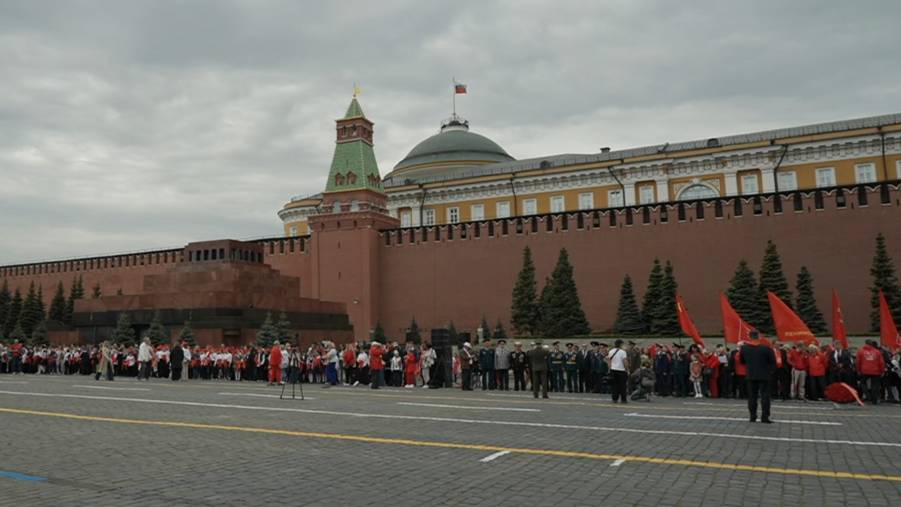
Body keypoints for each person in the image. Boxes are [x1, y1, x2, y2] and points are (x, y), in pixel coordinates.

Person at [741, 331, 776, 423]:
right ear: (759, 337)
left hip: (751, 375)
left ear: (749, 337)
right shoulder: (766, 349)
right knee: (765, 397)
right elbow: (773, 362)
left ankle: (752, 416)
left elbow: (742, 361)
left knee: (752, 397)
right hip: (764, 375)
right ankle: (765, 417)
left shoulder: (744, 348)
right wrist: (770, 371)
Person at [856, 340, 886, 404]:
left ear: (865, 343)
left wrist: (858, 370)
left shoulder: (860, 351)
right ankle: (874, 400)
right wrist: (882, 371)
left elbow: (858, 362)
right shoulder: (877, 352)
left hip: (864, 370)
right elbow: (881, 362)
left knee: (862, 383)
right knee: (875, 385)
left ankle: (867, 395)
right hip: (876, 371)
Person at [607, 339, 629, 403]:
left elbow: (609, 361)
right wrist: (627, 370)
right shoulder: (623, 352)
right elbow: (625, 361)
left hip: (613, 370)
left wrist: (609, 368)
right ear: (620, 344)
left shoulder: (611, 351)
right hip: (621, 370)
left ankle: (614, 398)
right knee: (622, 385)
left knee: (614, 385)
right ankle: (623, 399)